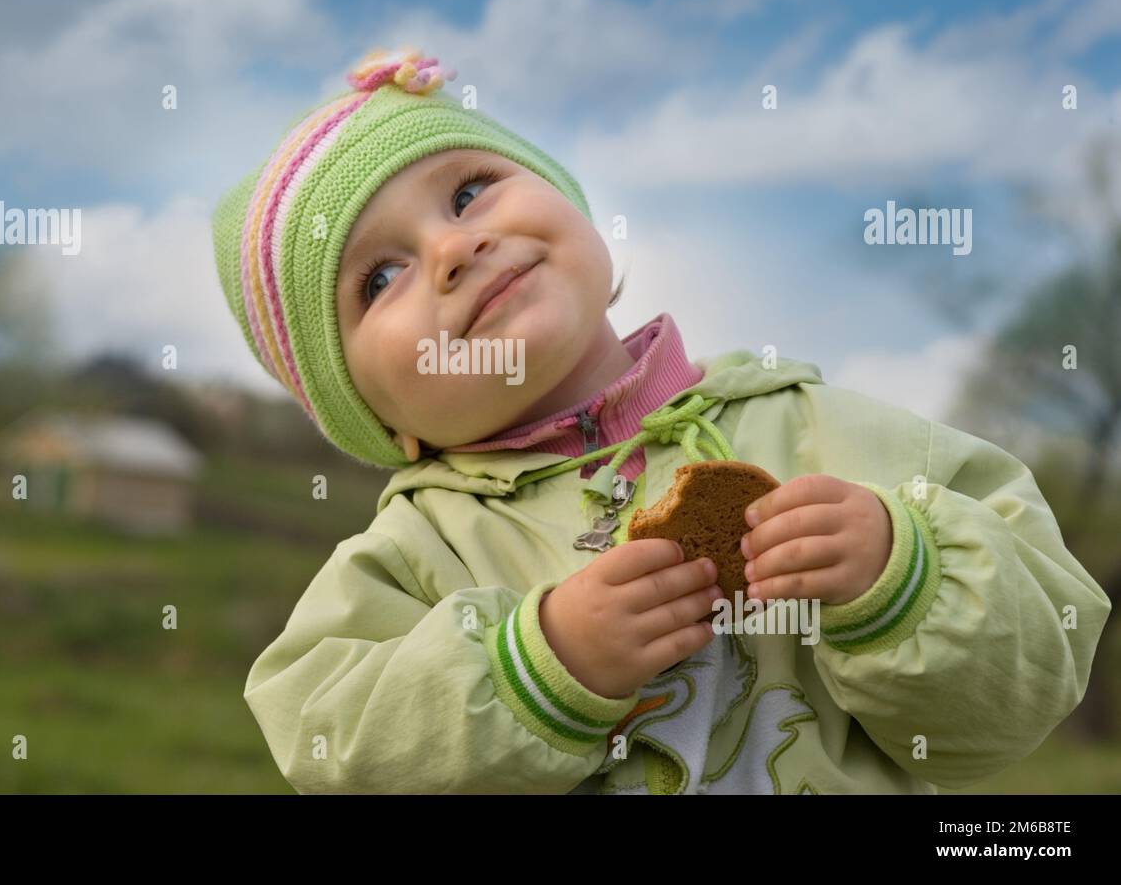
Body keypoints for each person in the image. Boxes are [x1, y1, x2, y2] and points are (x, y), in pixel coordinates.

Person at [211, 47, 1111, 794]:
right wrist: (539, 668)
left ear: (575, 211)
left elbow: (1027, 690)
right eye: (380, 277)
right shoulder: (412, 554)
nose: (454, 248)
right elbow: (333, 746)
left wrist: (900, 572)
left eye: (469, 191)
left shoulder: (828, 433)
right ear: (375, 421)